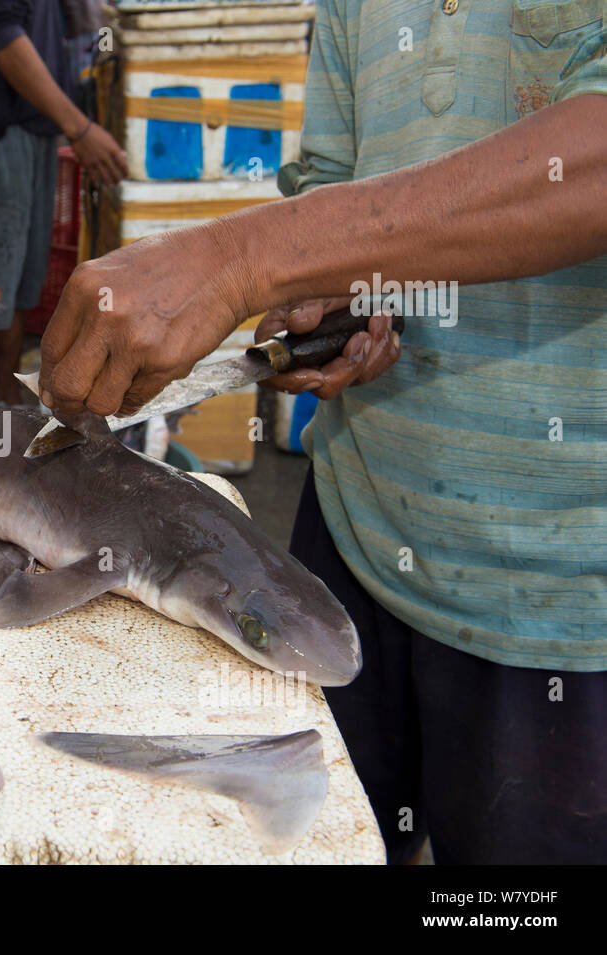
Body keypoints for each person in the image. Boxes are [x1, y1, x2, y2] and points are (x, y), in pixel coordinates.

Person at [37, 0, 607, 864]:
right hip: (347, 543)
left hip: (561, 605)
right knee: (314, 841)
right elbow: (340, 185)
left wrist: (236, 258)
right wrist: (349, 296)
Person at [0, 0, 128, 403]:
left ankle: (9, 415)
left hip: (36, 130)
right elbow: (1, 33)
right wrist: (79, 128)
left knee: (17, 295)